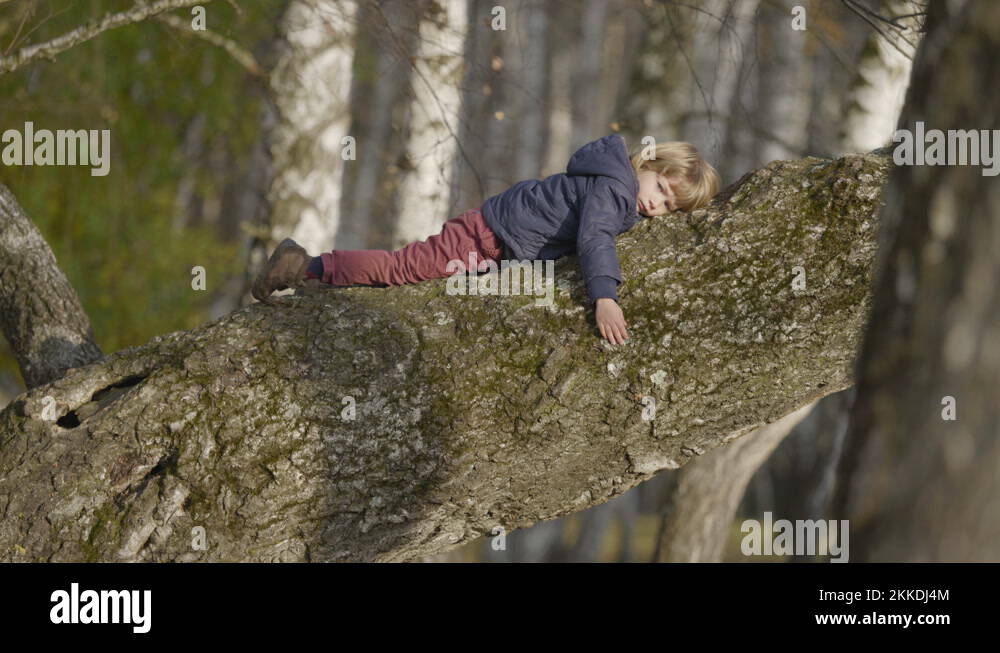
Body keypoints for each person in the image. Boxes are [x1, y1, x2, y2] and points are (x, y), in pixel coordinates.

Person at [251, 133, 721, 345]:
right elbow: (595, 237)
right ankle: (304, 266)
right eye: (660, 189)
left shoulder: (615, 186)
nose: (655, 205)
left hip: (496, 243)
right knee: (403, 269)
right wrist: (605, 297)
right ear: (648, 164)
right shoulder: (615, 190)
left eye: (669, 207)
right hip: (485, 238)